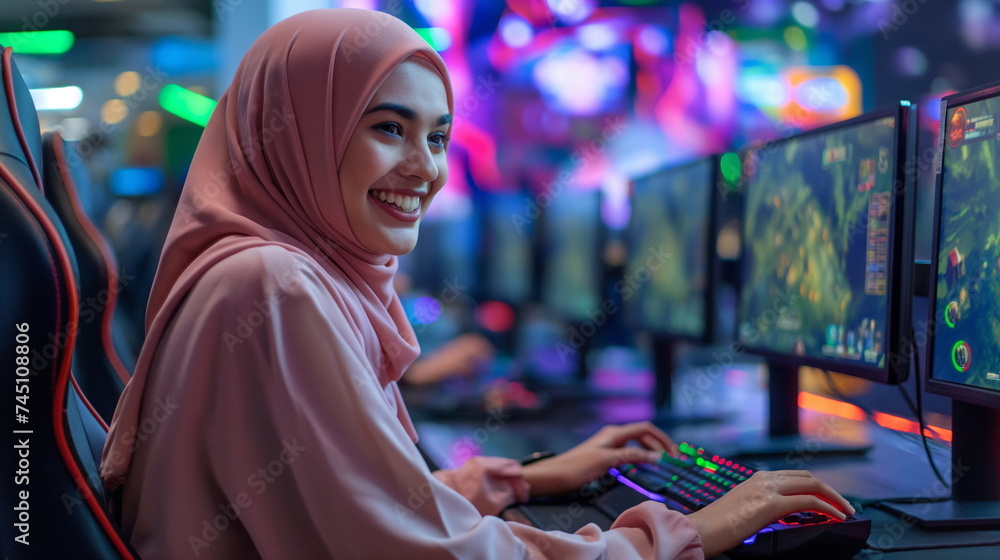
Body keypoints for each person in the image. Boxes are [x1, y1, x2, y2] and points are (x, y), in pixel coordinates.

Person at [101, 9, 854, 559]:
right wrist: (679, 534)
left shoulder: (270, 273)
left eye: (436, 137)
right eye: (388, 128)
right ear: (297, 132)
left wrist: (519, 479)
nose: (425, 169)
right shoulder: (274, 286)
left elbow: (355, 504)